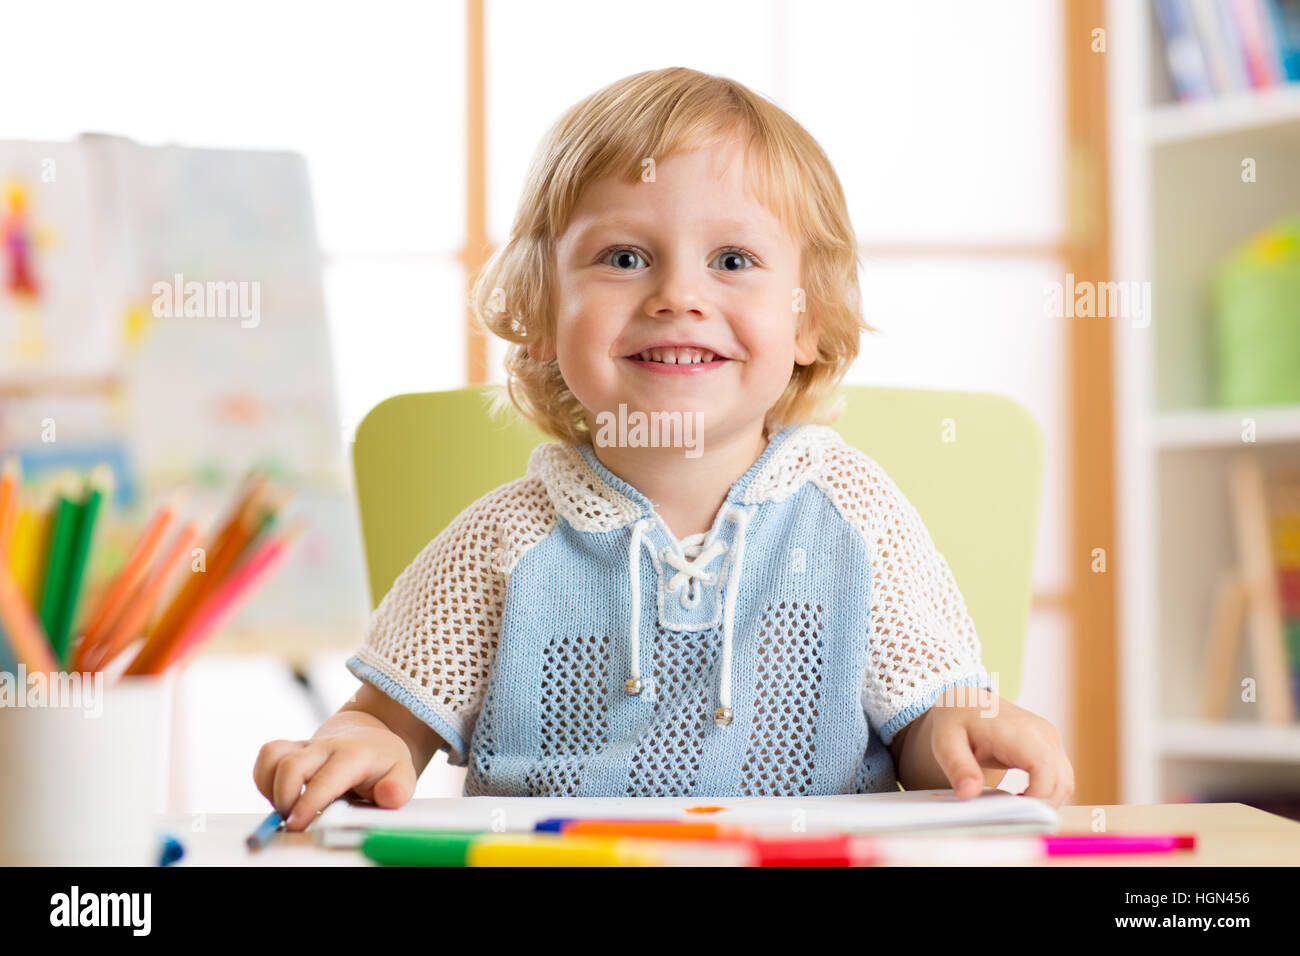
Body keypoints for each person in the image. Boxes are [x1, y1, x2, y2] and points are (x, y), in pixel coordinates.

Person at [255, 67, 1074, 831]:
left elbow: (928, 731)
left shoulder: (856, 517)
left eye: (732, 260)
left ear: (805, 319)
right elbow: (385, 724)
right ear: (541, 310)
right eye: (624, 258)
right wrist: (359, 749)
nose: (678, 295)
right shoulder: (502, 541)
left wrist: (964, 734)